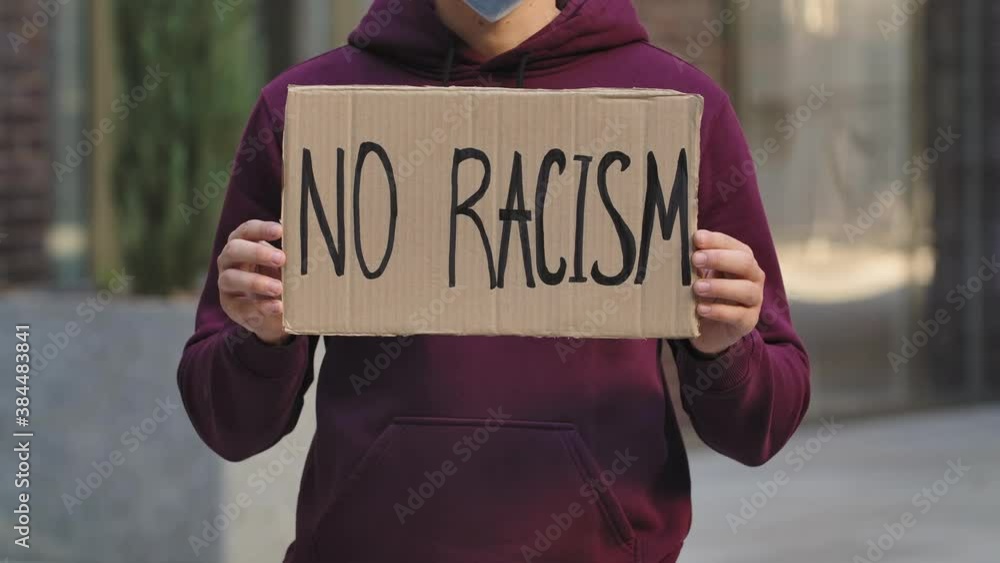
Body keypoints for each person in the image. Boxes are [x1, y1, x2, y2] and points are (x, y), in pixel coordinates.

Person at [177, 1, 811, 561]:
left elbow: (764, 425)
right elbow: (229, 426)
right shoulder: (308, 111)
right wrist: (259, 339)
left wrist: (727, 346)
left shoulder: (677, 110)